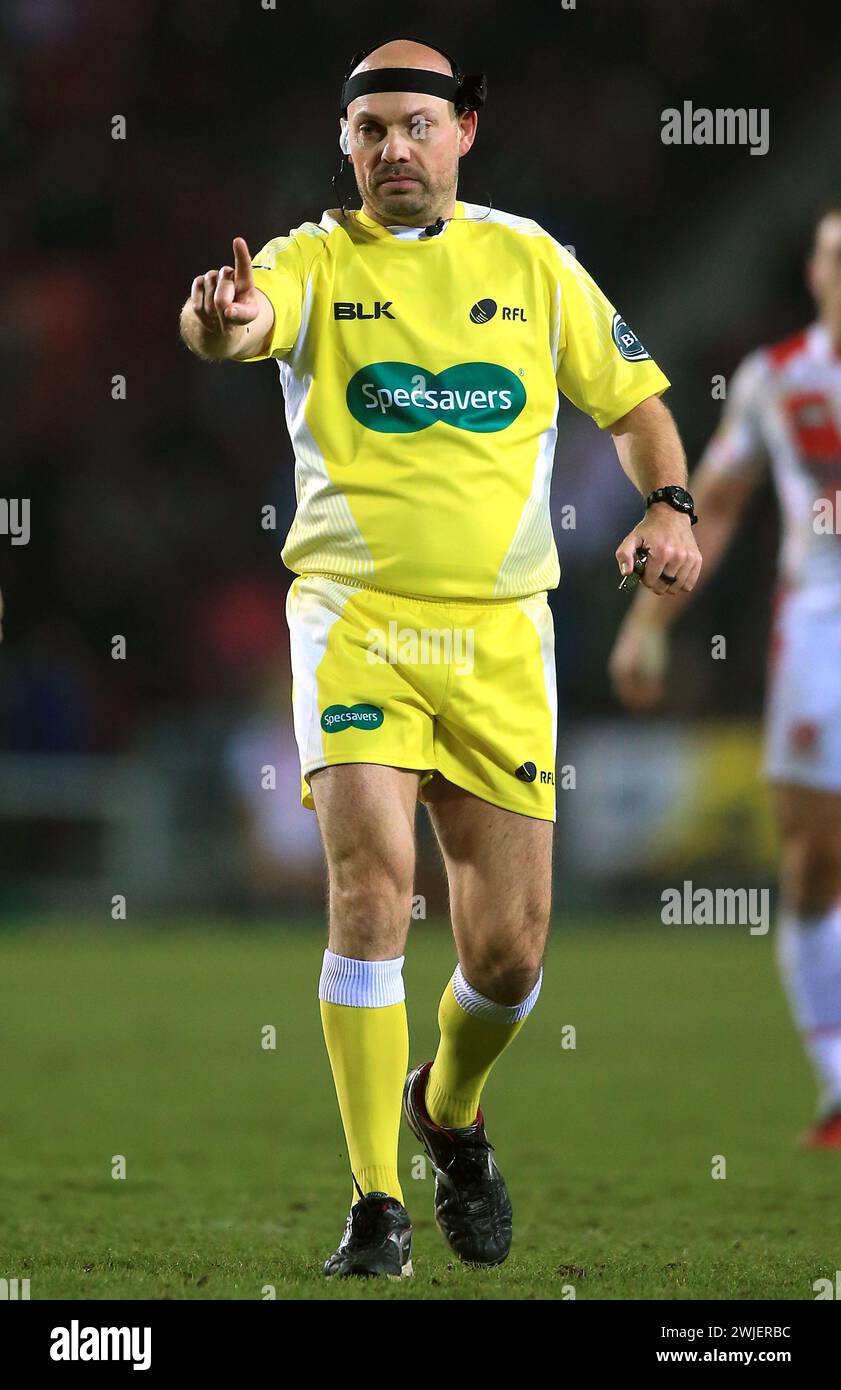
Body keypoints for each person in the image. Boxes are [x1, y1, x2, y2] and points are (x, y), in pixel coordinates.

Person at [179, 34, 699, 1279]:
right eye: (371, 130)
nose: (394, 148)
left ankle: (447, 1108)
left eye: (417, 124)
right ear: (344, 143)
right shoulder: (310, 261)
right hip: (355, 620)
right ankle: (375, 1203)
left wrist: (669, 503)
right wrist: (215, 320)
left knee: (507, 958)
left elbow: (634, 405)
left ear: (465, 130)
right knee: (369, 891)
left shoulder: (531, 261)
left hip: (501, 634)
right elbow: (238, 326)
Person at [610, 207, 841, 1151]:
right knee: (814, 860)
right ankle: (837, 1081)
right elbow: (715, 504)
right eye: (834, 256)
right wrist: (646, 626)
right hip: (820, 631)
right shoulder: (774, 378)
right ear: (813, 272)